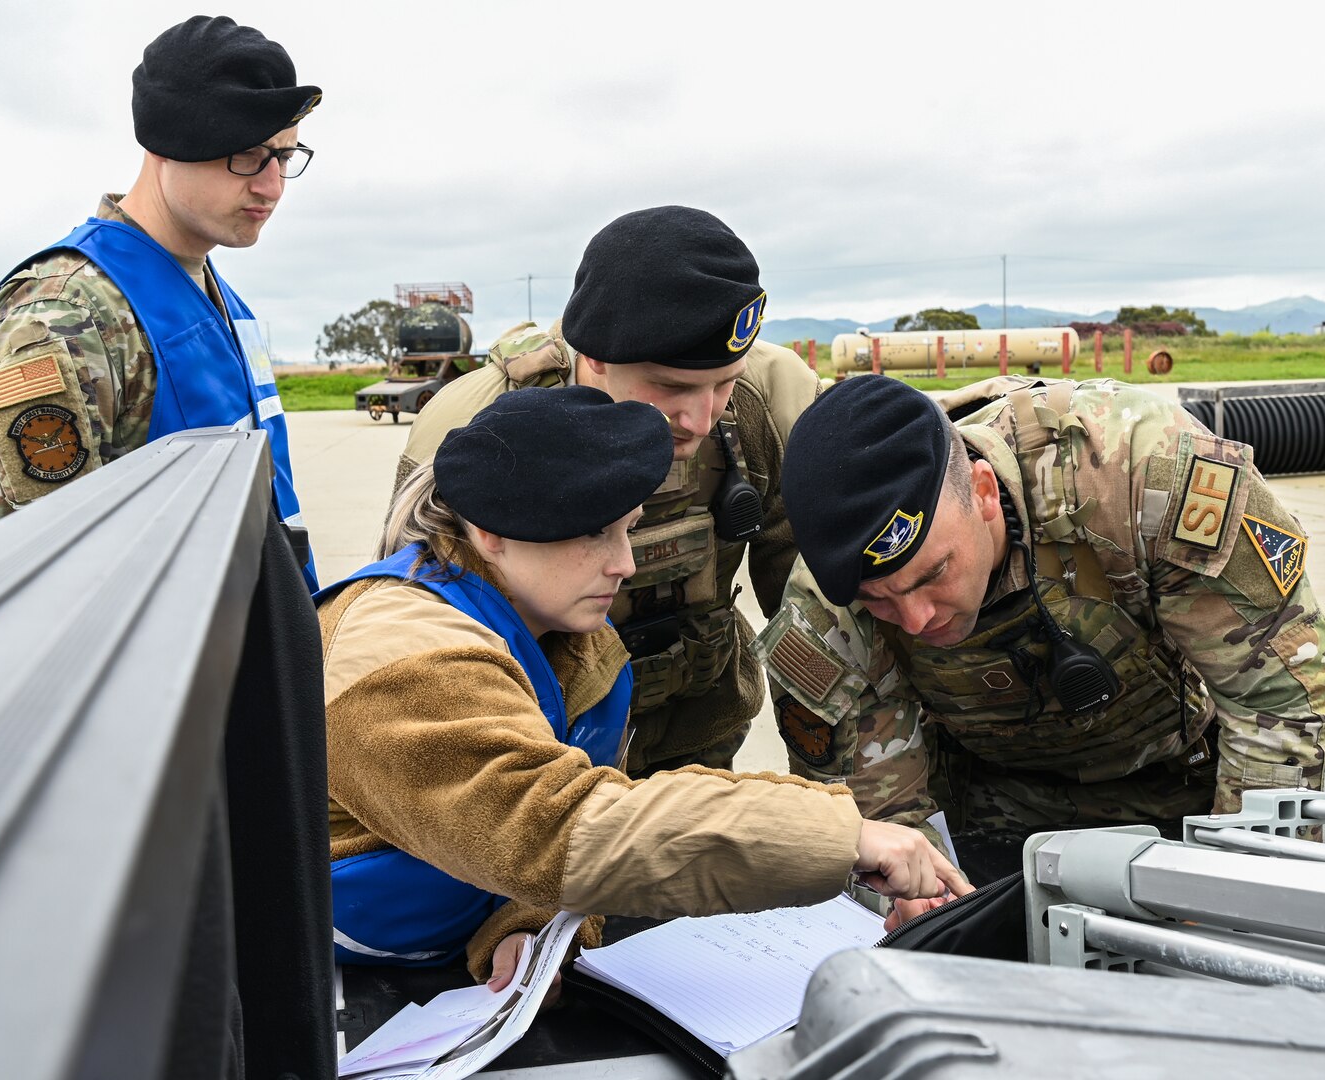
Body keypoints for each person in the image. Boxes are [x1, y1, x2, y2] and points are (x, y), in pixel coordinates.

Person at [320, 386, 967, 985]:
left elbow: (560, 819)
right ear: (491, 532)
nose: (624, 563)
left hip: (432, 972)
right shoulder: (404, 657)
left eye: (628, 527)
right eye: (596, 532)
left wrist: (525, 923)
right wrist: (840, 836)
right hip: (326, 979)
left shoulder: (571, 635)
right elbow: (556, 828)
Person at [758, 374, 1325, 916]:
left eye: (933, 574)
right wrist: (921, 900)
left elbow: (1285, 705)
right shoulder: (823, 615)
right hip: (989, 814)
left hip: (1188, 791)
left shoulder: (1140, 471)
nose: (913, 620)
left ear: (986, 493)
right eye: (880, 600)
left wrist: (1229, 893)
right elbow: (877, 818)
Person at [391, 205, 819, 777]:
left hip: (700, 737)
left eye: (724, 384)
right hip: (541, 762)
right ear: (593, 355)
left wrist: (829, 797)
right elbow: (420, 634)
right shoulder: (476, 426)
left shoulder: (769, 398)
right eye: (670, 387)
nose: (699, 418)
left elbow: (813, 612)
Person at [0, 15, 321, 585]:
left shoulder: (217, 296)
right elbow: (22, 584)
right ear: (167, 144)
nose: (272, 185)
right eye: (248, 154)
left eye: (284, 156)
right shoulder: (65, 320)